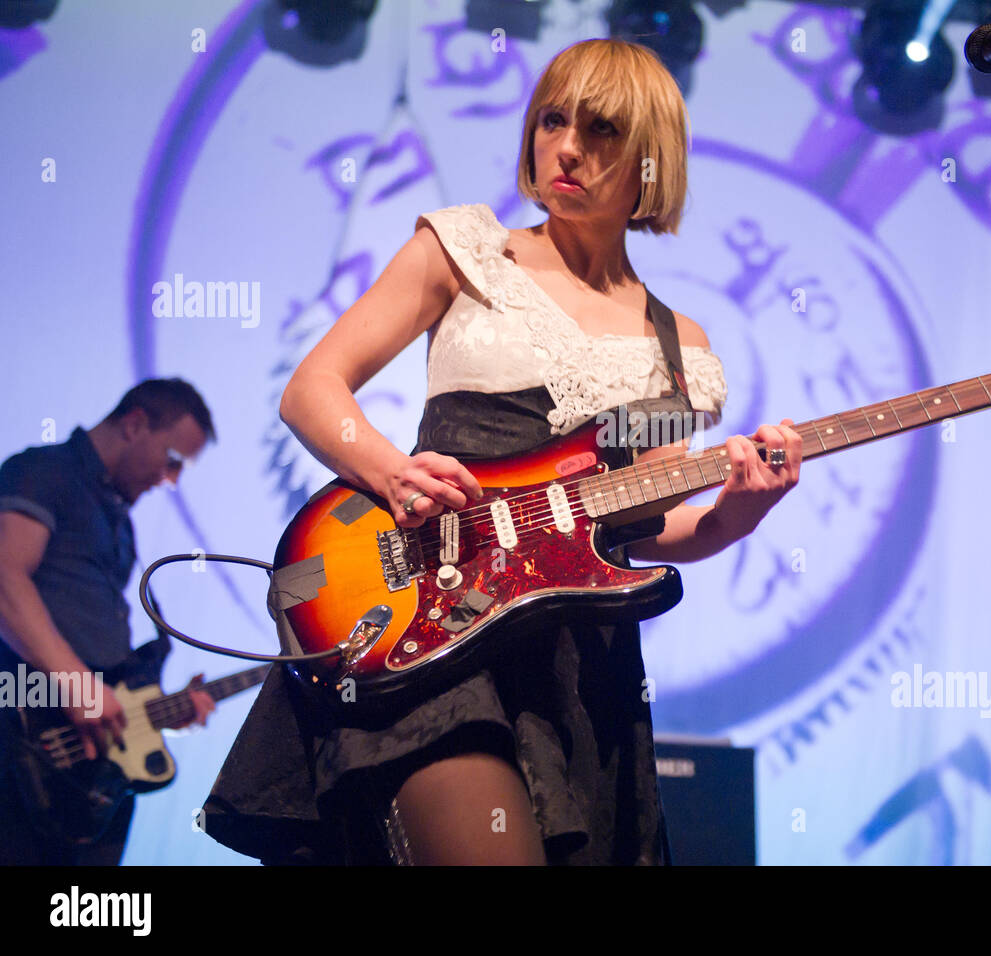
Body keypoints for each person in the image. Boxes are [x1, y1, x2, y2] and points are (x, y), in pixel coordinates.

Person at [202, 38, 803, 866]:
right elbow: (313, 389)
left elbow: (651, 528)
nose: (566, 147)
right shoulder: (465, 253)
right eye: (553, 119)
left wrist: (743, 507)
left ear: (650, 161)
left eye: (601, 130)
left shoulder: (677, 349)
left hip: (573, 673)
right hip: (430, 620)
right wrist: (389, 469)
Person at [0, 378, 219, 864]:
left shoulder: (120, 522)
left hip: (89, 780)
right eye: (172, 460)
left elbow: (101, 659)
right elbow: (4, 576)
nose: (171, 479)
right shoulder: (44, 471)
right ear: (135, 423)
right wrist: (76, 685)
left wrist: (155, 710)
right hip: (25, 741)